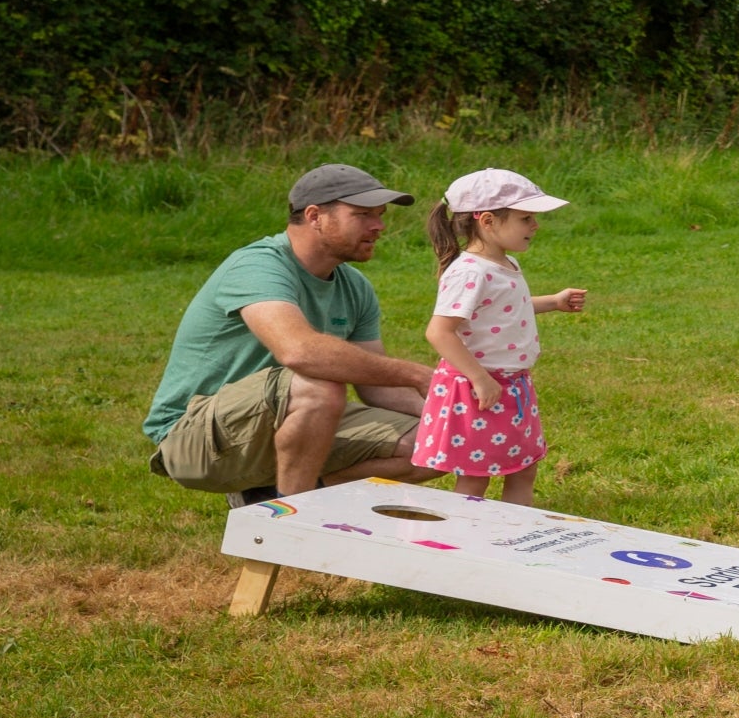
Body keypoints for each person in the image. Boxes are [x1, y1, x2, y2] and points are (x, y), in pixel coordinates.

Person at [144, 164, 442, 501]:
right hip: (196, 437)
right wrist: (417, 374)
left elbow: (378, 388)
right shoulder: (258, 267)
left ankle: (282, 498)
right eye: (362, 215)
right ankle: (290, 524)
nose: (379, 226)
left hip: (291, 421)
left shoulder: (355, 288)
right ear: (315, 216)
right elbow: (299, 352)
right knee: (319, 382)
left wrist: (453, 410)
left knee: (437, 443)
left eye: (380, 215)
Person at [413, 169, 587, 506]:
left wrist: (552, 302)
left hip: (511, 385)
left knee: (523, 468)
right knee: (475, 476)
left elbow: (504, 309)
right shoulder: (469, 271)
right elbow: (439, 331)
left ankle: (513, 536)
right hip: (480, 390)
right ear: (488, 221)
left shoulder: (504, 263)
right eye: (526, 218)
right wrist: (479, 378)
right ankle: (464, 538)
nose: (535, 226)